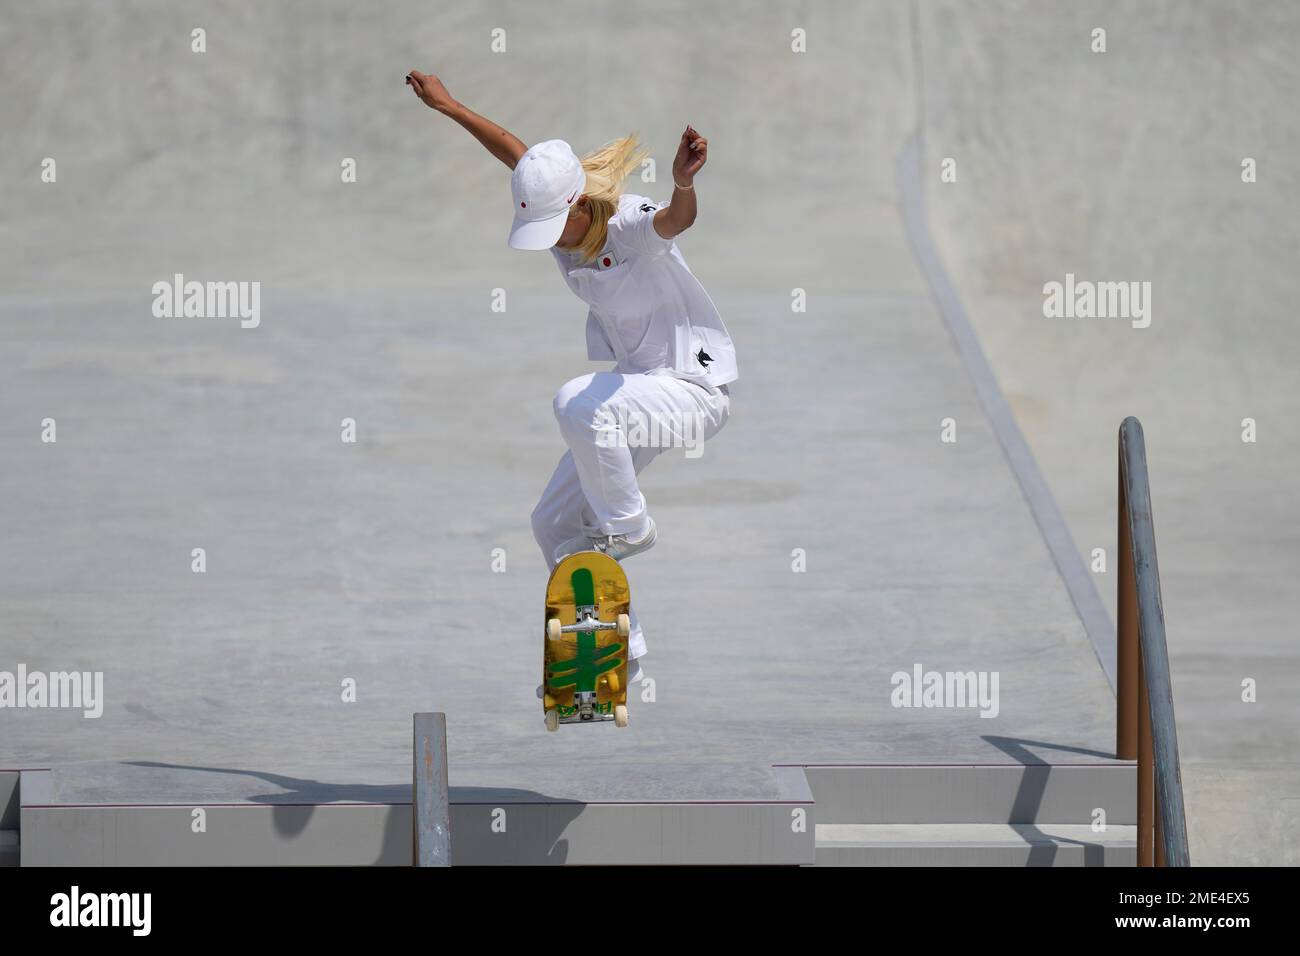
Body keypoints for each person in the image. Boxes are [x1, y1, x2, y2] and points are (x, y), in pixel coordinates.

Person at [407, 70, 737, 683]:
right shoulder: (558, 207)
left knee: (578, 403)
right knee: (553, 523)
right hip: (640, 390)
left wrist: (684, 182)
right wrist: (450, 106)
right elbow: (513, 149)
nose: (551, 243)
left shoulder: (630, 224)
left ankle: (631, 528)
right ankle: (620, 654)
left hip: (691, 392)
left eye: (555, 227)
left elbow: (676, 222)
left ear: (582, 206)